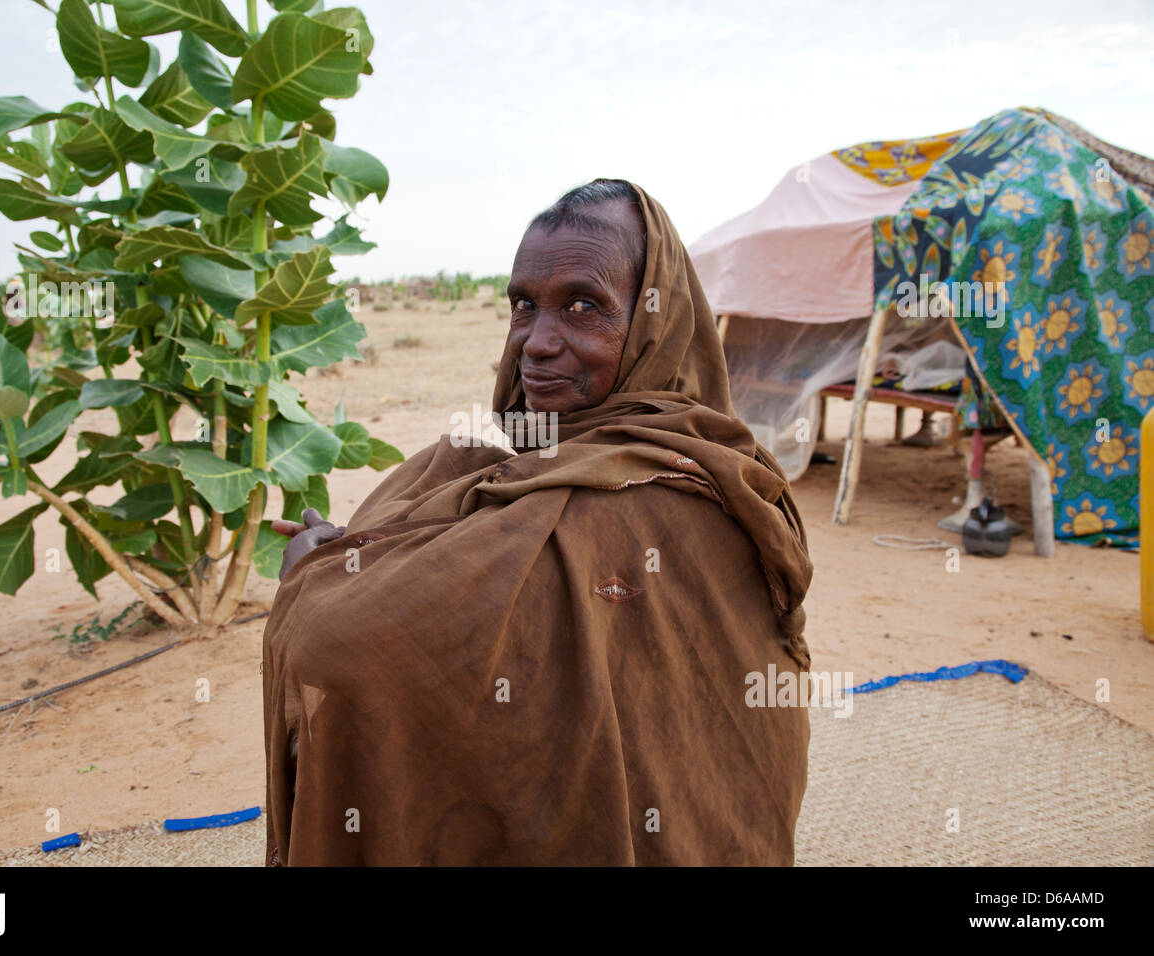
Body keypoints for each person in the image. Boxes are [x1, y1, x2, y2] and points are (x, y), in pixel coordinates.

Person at [262, 179, 813, 865]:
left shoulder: (648, 498)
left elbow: (336, 650)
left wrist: (312, 577)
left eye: (584, 306)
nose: (537, 343)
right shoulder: (528, 473)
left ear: (652, 320)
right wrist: (363, 559)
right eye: (525, 306)